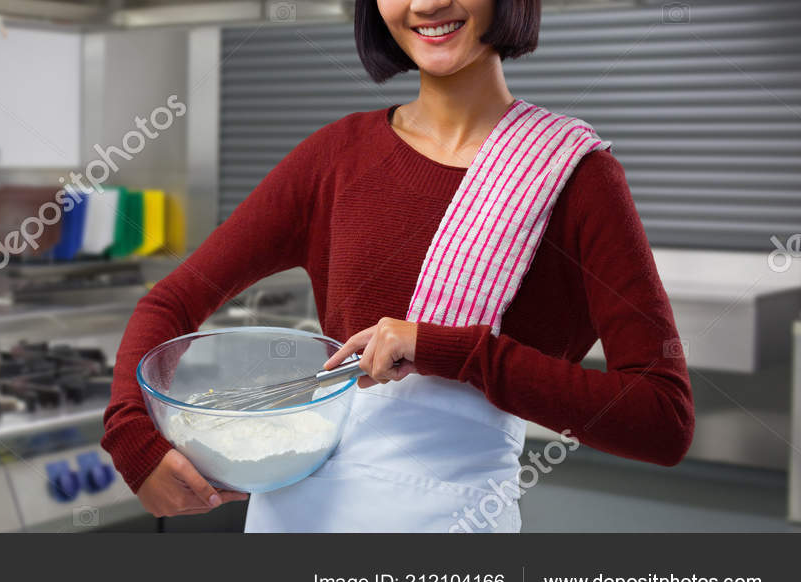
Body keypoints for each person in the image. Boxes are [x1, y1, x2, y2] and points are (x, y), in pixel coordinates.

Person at [102, 0, 693, 532]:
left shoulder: (575, 177)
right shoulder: (336, 158)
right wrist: (132, 438)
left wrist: (455, 351)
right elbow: (171, 301)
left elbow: (661, 419)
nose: (428, 3)